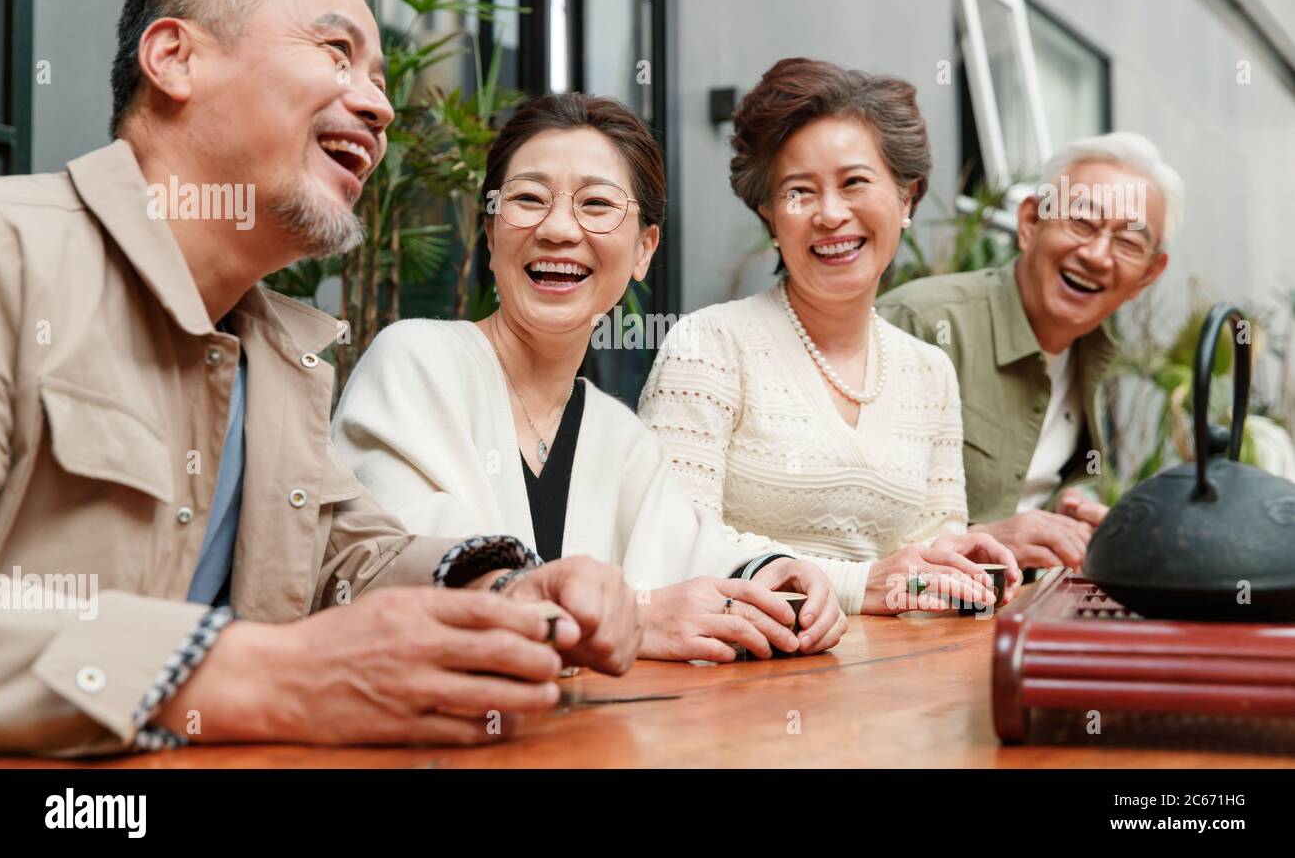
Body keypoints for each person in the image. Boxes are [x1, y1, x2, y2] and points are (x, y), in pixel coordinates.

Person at [0, 0, 639, 758]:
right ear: (175, 58)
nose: (378, 106)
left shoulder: (278, 350)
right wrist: (257, 677)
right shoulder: (13, 258)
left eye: (379, 77)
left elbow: (348, 557)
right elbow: (284, 661)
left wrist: (503, 592)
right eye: (337, 53)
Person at [333, 92, 849, 662]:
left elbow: (692, 551)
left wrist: (779, 576)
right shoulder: (414, 362)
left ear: (643, 250)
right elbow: (400, 565)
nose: (557, 229)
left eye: (597, 205)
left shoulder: (618, 436)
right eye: (527, 198)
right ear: (490, 232)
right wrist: (641, 615)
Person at [638, 57, 1020, 615]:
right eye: (799, 192)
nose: (831, 214)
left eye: (855, 182)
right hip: (740, 675)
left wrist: (955, 561)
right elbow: (671, 539)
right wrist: (861, 583)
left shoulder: (928, 369)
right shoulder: (710, 344)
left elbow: (924, 551)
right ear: (769, 212)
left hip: (891, 676)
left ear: (906, 197)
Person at [878, 132, 1179, 572]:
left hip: (1024, 611)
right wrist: (982, 539)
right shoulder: (921, 324)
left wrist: (1086, 525)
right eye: (1081, 222)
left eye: (1128, 243)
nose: (1097, 255)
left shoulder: (1094, 355)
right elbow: (843, 526)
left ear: (1147, 276)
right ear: (1030, 223)